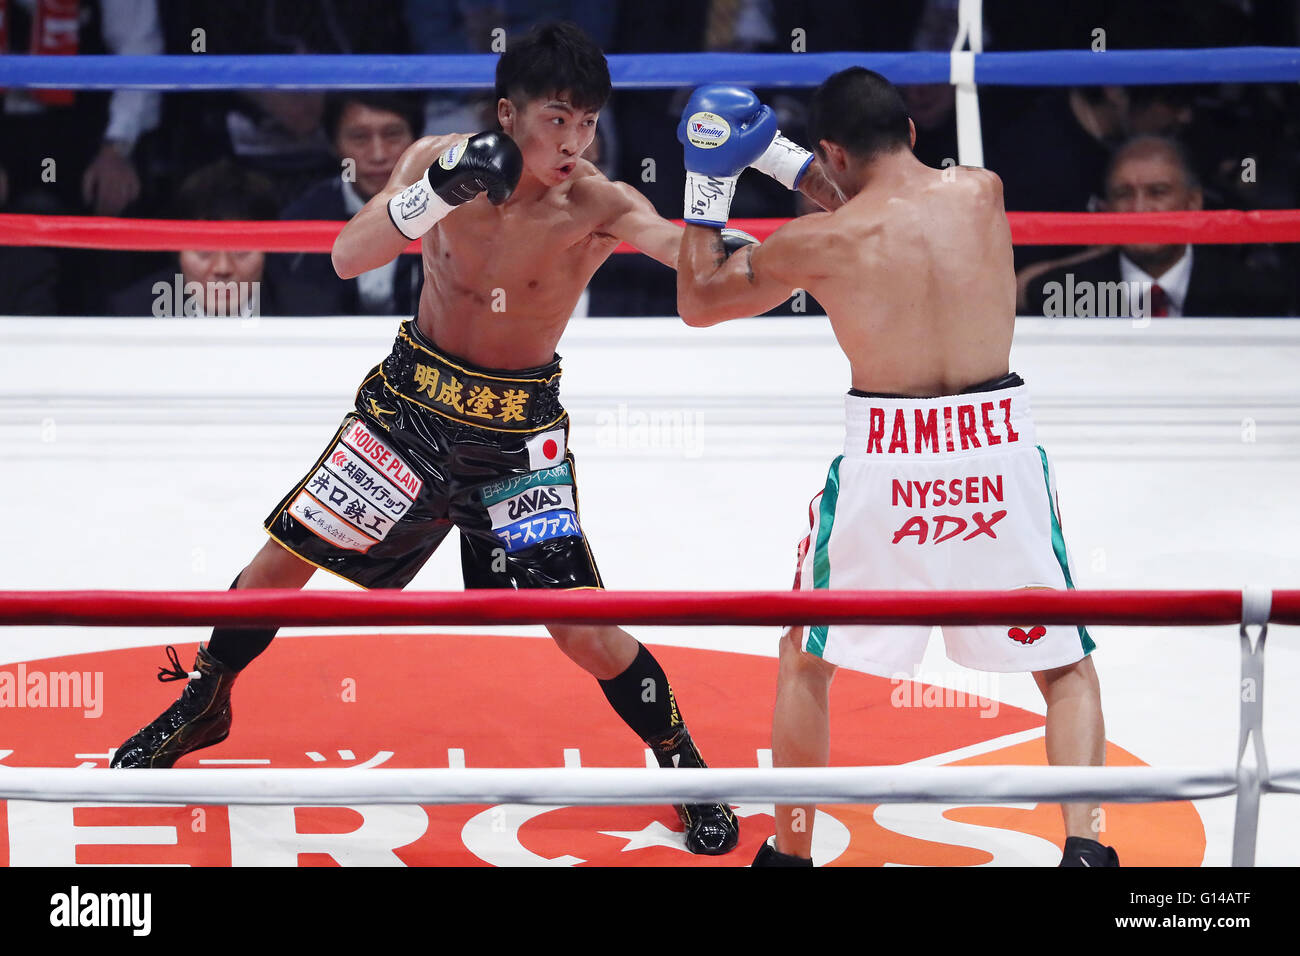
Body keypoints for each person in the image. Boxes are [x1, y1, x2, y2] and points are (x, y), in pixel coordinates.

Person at [110, 21, 740, 856]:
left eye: (588, 121)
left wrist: (716, 196)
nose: (574, 141)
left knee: (583, 626)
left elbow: (701, 278)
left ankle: (683, 764)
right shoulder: (435, 163)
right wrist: (431, 193)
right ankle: (204, 700)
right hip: (412, 405)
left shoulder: (601, 202)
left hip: (518, 438)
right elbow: (344, 256)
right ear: (507, 113)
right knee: (282, 557)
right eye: (558, 118)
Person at [673, 69, 1114, 867]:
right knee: (1062, 664)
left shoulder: (815, 244)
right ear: (911, 131)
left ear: (833, 150)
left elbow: (701, 300)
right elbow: (884, 203)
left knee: (808, 660)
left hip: (890, 463)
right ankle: (1087, 850)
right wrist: (784, 158)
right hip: (996, 452)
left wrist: (715, 179)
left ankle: (793, 855)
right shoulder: (983, 192)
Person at [1023, 135, 1289, 318]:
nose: (1139, 209)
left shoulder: (1254, 294)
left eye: (1158, 192)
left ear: (1193, 202)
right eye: (1123, 194)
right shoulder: (1060, 293)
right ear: (1105, 209)